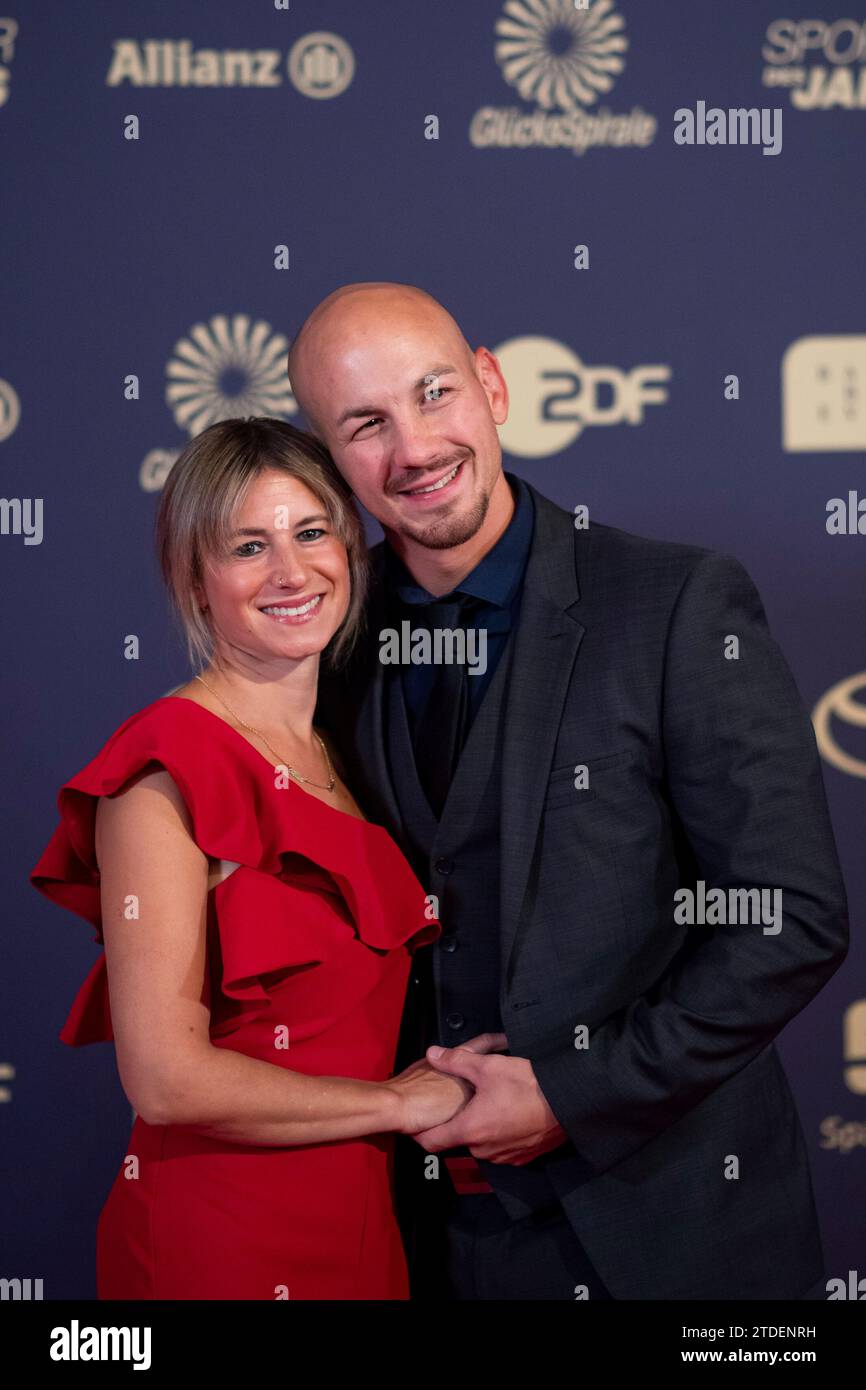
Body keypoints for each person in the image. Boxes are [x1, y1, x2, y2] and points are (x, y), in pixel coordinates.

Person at [288, 280, 851, 1301]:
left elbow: (787, 917)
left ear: (491, 385)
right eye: (364, 423)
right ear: (328, 457)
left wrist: (570, 1093)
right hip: (411, 1240)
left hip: (673, 1233)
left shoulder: (674, 603)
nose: (412, 449)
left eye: (433, 393)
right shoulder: (320, 643)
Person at [30, 417, 476, 1301]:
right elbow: (164, 1079)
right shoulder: (164, 764)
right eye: (247, 546)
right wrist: (395, 1102)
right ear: (195, 579)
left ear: (351, 548)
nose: (291, 571)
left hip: (359, 1223)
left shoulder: (346, 751)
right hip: (221, 1240)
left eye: (311, 532)